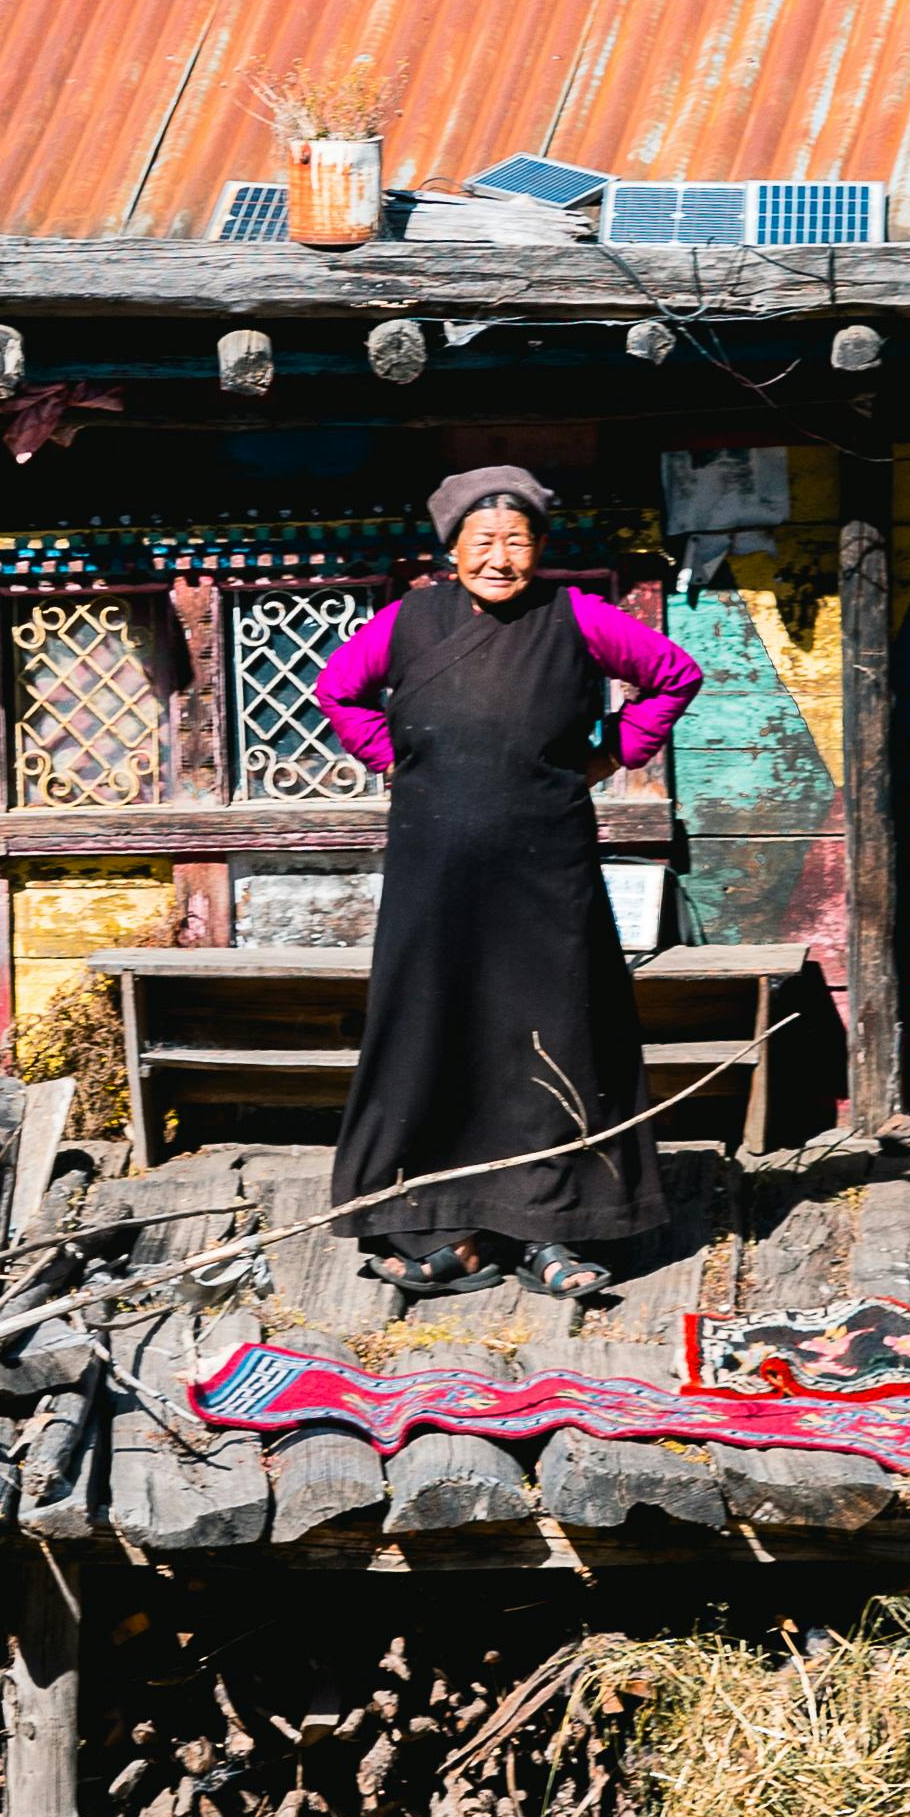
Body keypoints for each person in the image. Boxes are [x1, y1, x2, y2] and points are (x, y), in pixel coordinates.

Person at [312, 466, 705, 1302]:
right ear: (450, 549)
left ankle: (549, 1226)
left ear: (539, 550)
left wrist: (613, 753)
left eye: (516, 542)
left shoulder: (576, 618)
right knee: (433, 1023)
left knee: (552, 1031)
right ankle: (433, 1216)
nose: (500, 558)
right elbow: (337, 691)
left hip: (545, 872)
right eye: (482, 543)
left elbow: (674, 675)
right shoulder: (407, 621)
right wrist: (399, 761)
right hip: (435, 870)